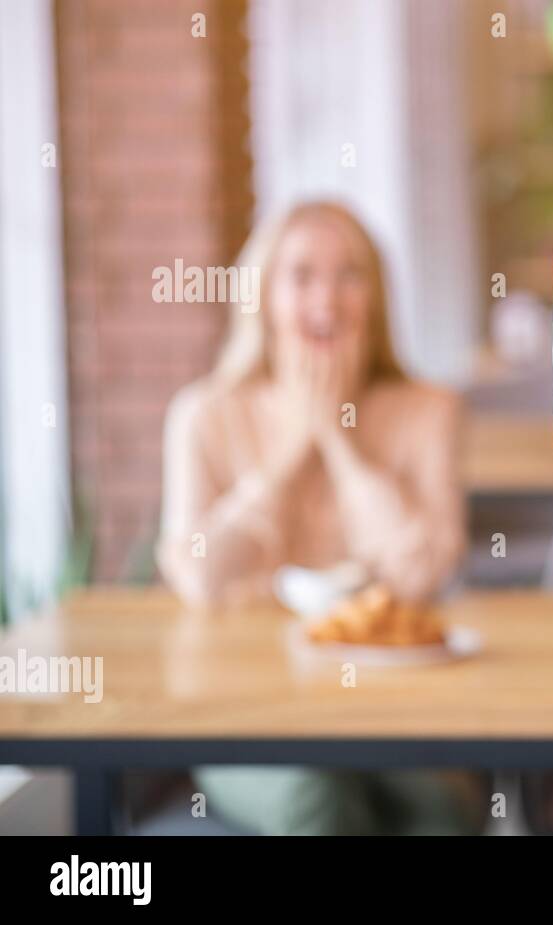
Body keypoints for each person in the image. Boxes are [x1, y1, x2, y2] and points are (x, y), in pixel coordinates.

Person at [157, 201, 481, 835]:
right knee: (319, 802)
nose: (327, 297)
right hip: (245, 708)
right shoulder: (204, 414)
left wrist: (338, 437)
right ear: (265, 297)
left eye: (350, 274)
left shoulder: (430, 410)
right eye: (301, 275)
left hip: (396, 706)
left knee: (443, 807)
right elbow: (199, 577)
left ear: (377, 297)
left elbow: (423, 572)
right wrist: (290, 450)